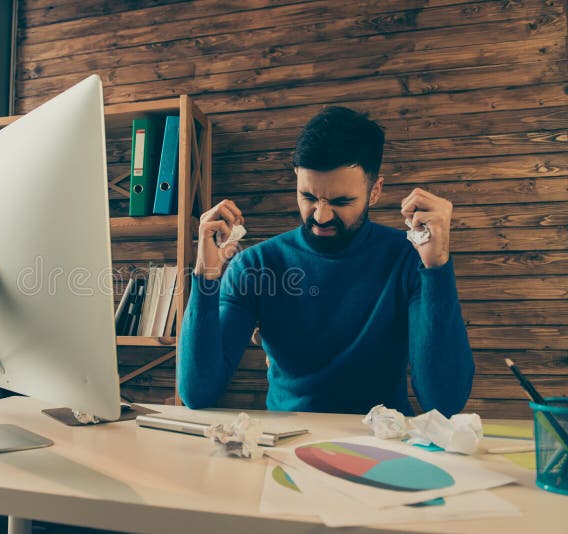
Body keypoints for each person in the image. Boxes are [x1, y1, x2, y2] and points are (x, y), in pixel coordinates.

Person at [178, 106, 474, 416]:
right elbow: (197, 393)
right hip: (287, 443)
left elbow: (445, 402)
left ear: (375, 192)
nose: (321, 216)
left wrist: (437, 267)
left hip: (384, 443)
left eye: (341, 201)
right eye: (308, 197)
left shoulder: (407, 259)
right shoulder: (255, 265)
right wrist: (206, 276)